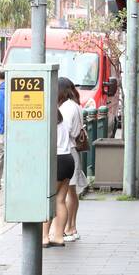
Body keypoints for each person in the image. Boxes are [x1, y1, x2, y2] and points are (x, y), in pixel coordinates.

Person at [44, 76, 82, 247]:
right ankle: (59, 236)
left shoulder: (50, 119)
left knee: (47, 199)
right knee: (60, 199)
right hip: (68, 158)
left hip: (57, 160)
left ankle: (44, 237)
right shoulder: (61, 118)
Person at [62, 82, 89, 241]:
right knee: (72, 192)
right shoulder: (76, 105)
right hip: (74, 152)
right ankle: (72, 226)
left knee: (66, 193)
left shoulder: (66, 107)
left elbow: (67, 130)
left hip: (68, 150)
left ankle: (67, 228)